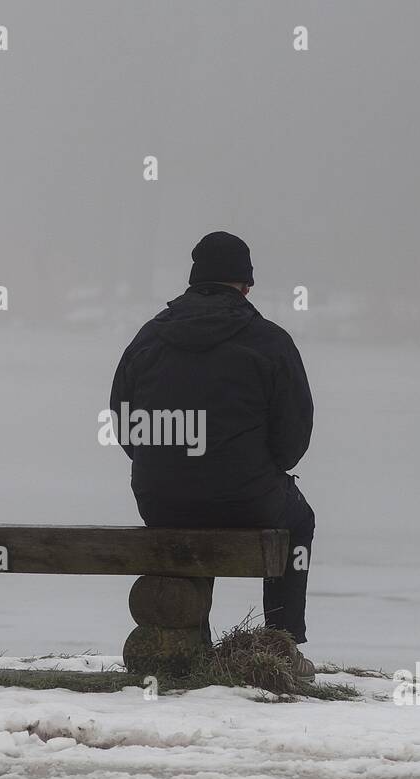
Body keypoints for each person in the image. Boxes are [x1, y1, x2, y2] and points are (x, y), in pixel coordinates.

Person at [109, 231, 317, 676]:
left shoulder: (147, 339)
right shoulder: (270, 342)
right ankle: (281, 640)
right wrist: (259, 469)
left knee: (186, 506)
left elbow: (123, 424)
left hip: (160, 498)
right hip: (247, 498)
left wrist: (166, 461)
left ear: (192, 280)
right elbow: (294, 439)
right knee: (299, 520)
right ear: (246, 285)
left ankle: (189, 639)